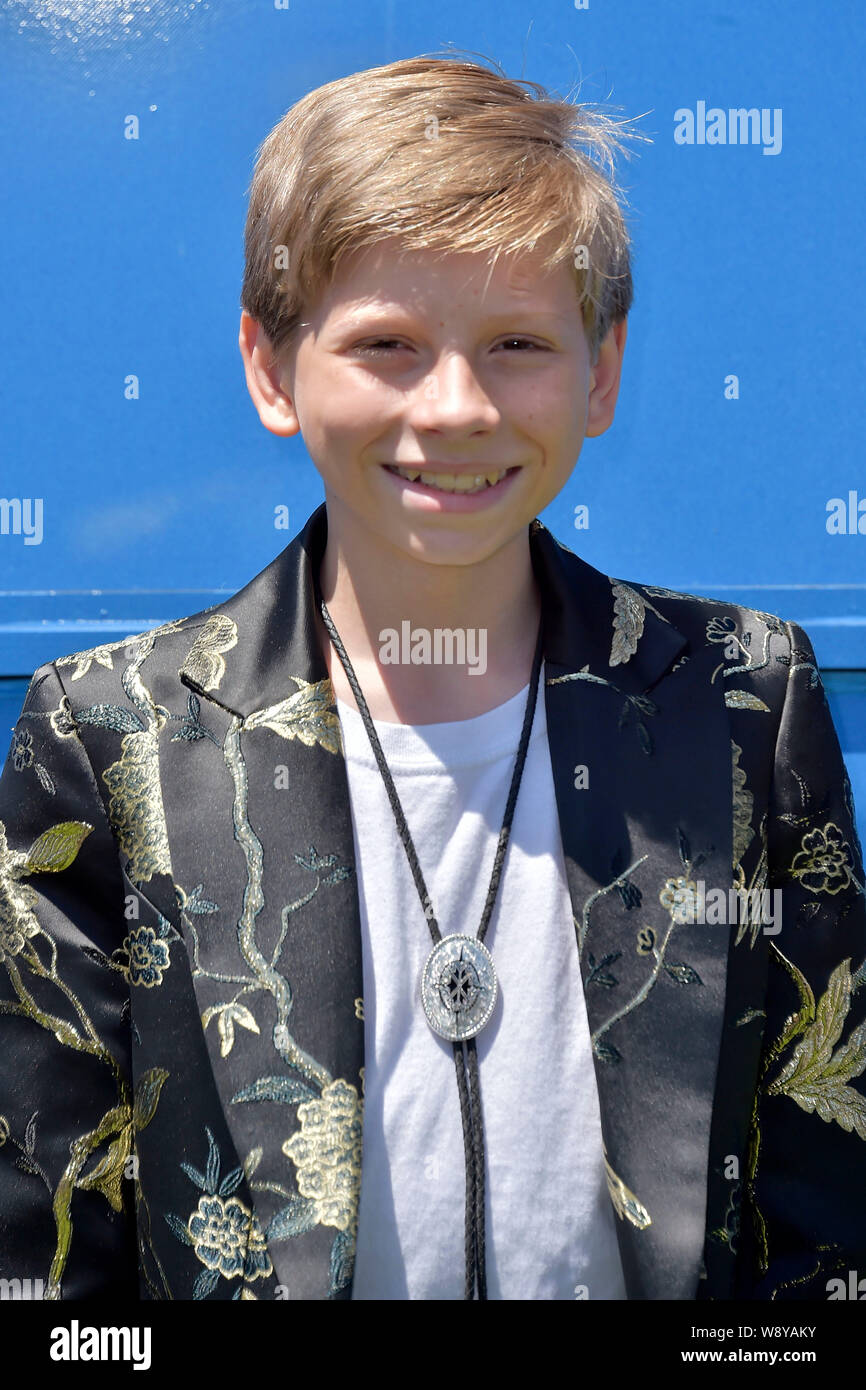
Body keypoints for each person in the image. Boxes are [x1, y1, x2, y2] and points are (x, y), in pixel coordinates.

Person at [1, 52, 864, 1303]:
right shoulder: (108, 734)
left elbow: (821, 1220)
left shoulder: (741, 702)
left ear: (600, 371)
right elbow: (49, 1253)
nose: (455, 405)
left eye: (516, 342)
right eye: (387, 344)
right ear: (269, 367)